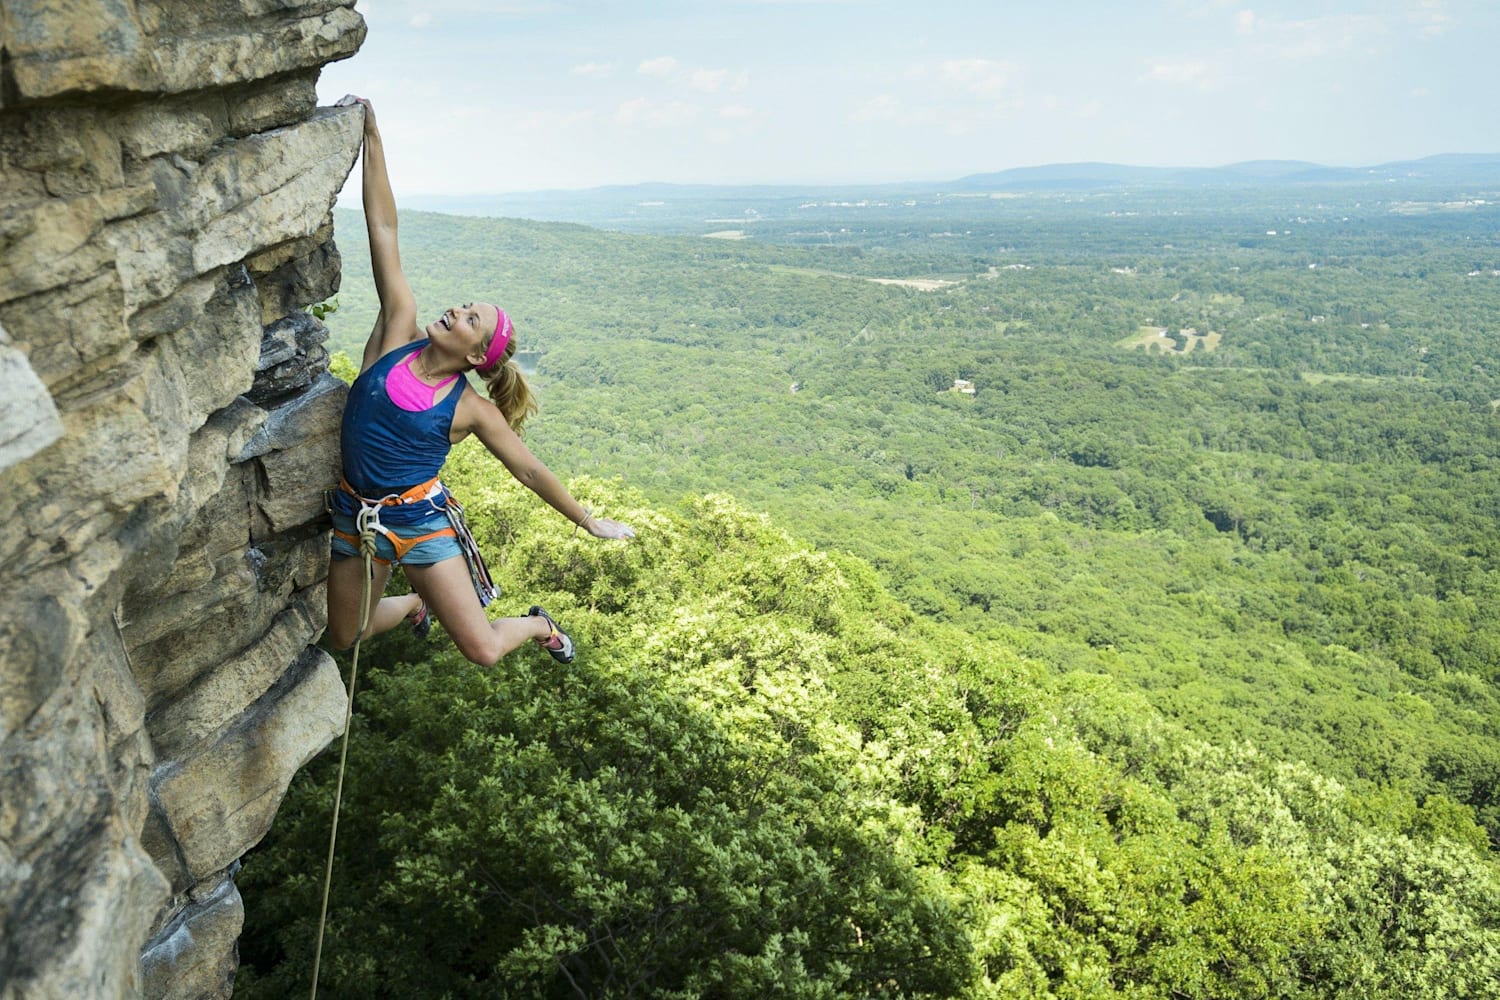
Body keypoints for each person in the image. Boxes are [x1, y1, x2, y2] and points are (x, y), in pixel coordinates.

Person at [325, 96, 635, 665]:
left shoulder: (470, 410)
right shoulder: (397, 331)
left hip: (419, 522)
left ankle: (538, 625)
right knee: (345, 634)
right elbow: (384, 228)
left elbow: (529, 470)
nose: (456, 311)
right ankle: (414, 605)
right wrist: (372, 136)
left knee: (483, 650)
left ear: (474, 356)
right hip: (357, 512)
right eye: (466, 305)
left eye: (471, 320)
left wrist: (589, 522)